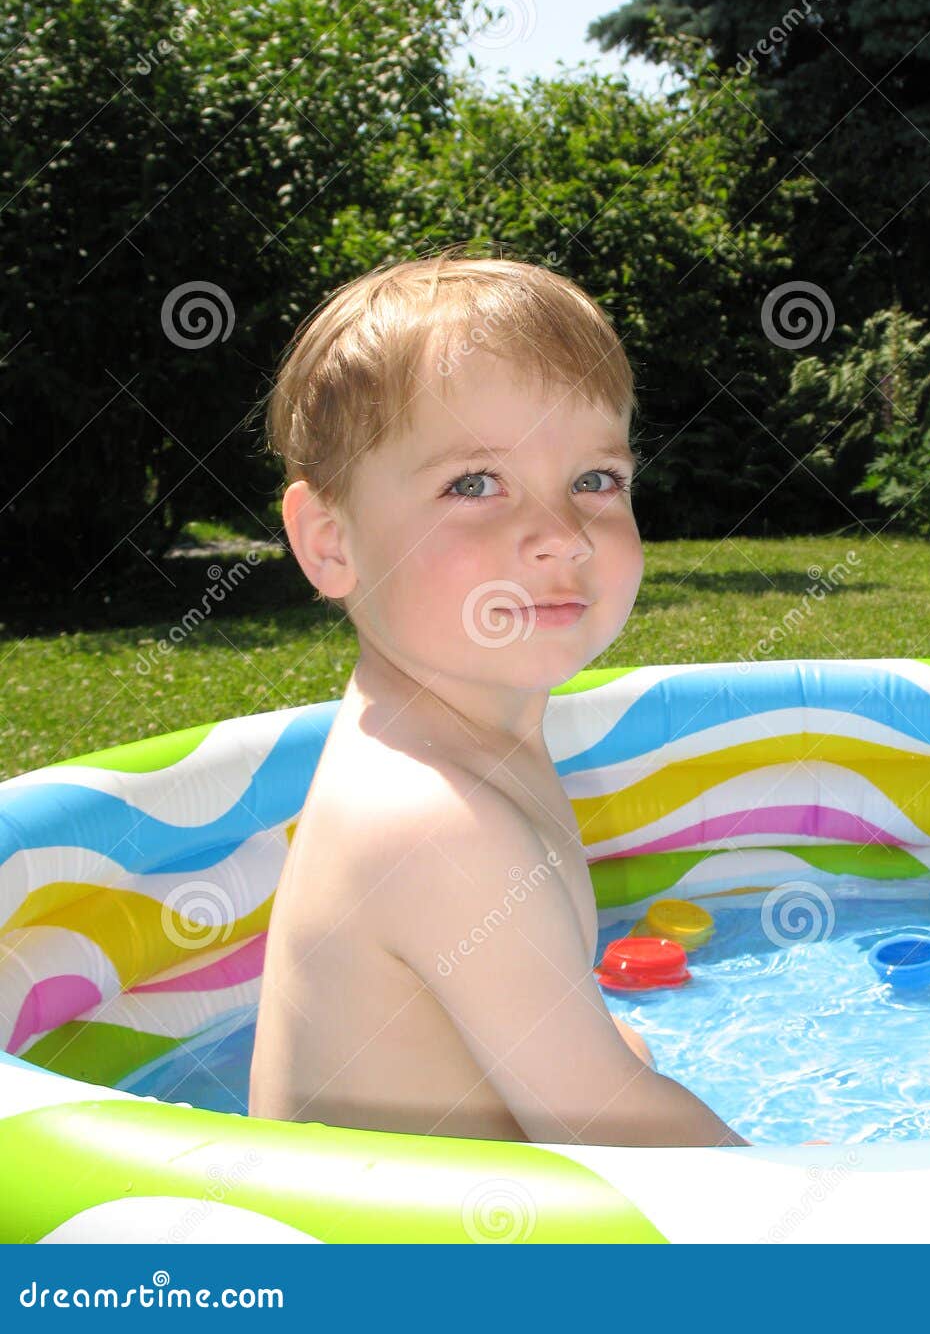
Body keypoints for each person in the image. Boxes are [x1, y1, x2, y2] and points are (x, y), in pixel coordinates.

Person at [247, 245, 750, 1148]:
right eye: (474, 484)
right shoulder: (432, 821)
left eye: (594, 481)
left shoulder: (450, 737)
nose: (561, 535)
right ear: (330, 543)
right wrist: (814, 1197)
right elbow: (619, 1134)